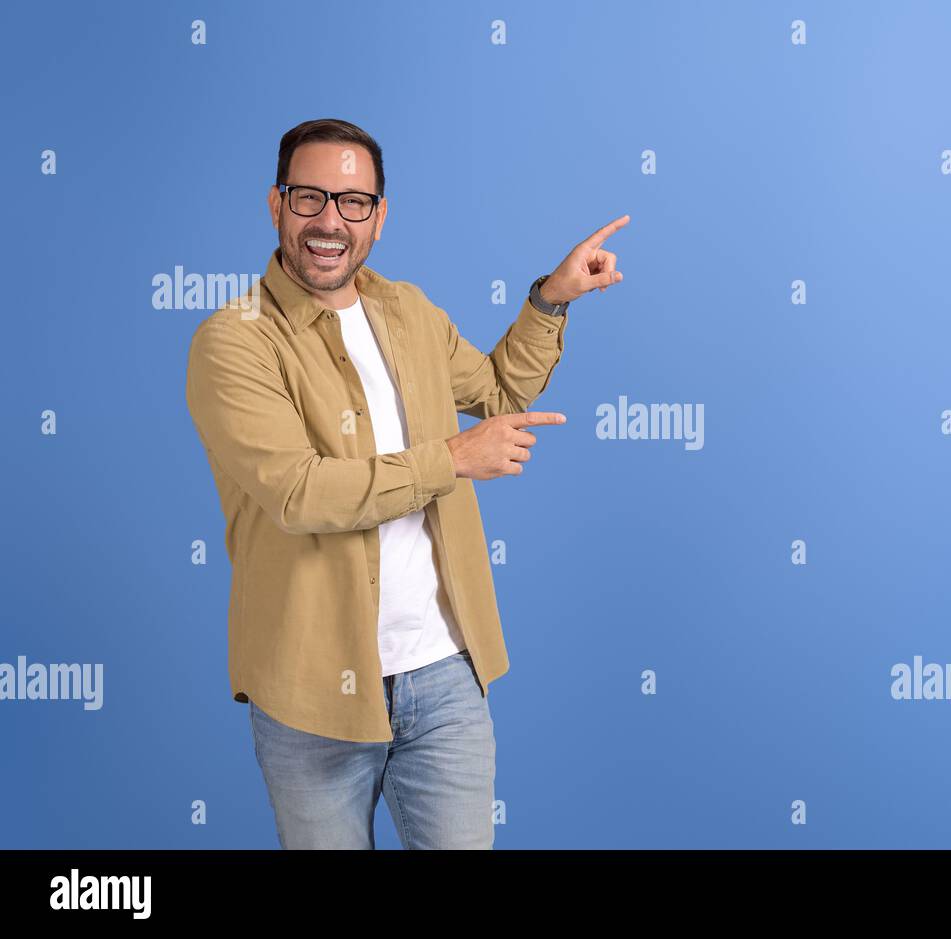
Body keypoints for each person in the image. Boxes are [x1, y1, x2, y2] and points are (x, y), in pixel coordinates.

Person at [185, 117, 628, 848]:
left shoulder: (407, 311)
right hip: (311, 696)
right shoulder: (234, 339)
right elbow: (301, 493)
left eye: (354, 202)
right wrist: (450, 460)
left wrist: (550, 300)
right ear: (276, 206)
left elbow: (494, 394)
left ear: (379, 217)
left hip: (445, 676)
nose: (330, 221)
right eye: (309, 198)